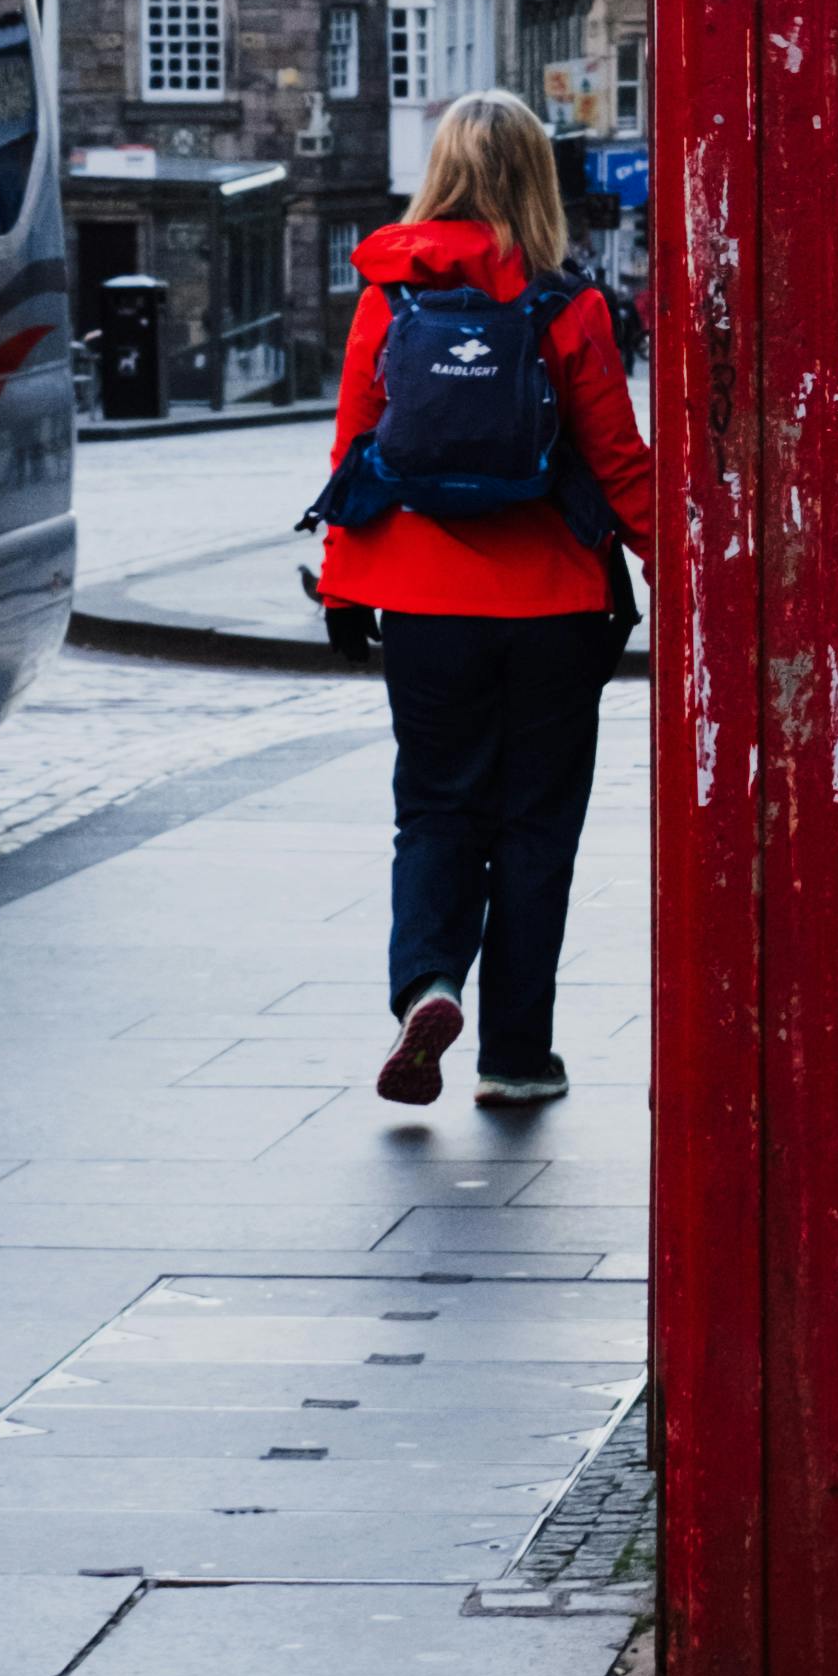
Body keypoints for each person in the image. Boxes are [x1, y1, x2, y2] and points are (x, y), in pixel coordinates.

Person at [313, 91, 656, 1117]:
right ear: (538, 180)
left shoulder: (388, 296)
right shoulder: (569, 307)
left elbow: (353, 449)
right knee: (536, 828)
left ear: (441, 174)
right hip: (553, 606)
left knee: (434, 808)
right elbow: (621, 466)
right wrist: (693, 578)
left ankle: (425, 983)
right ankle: (516, 1055)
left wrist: (341, 585)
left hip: (421, 602)